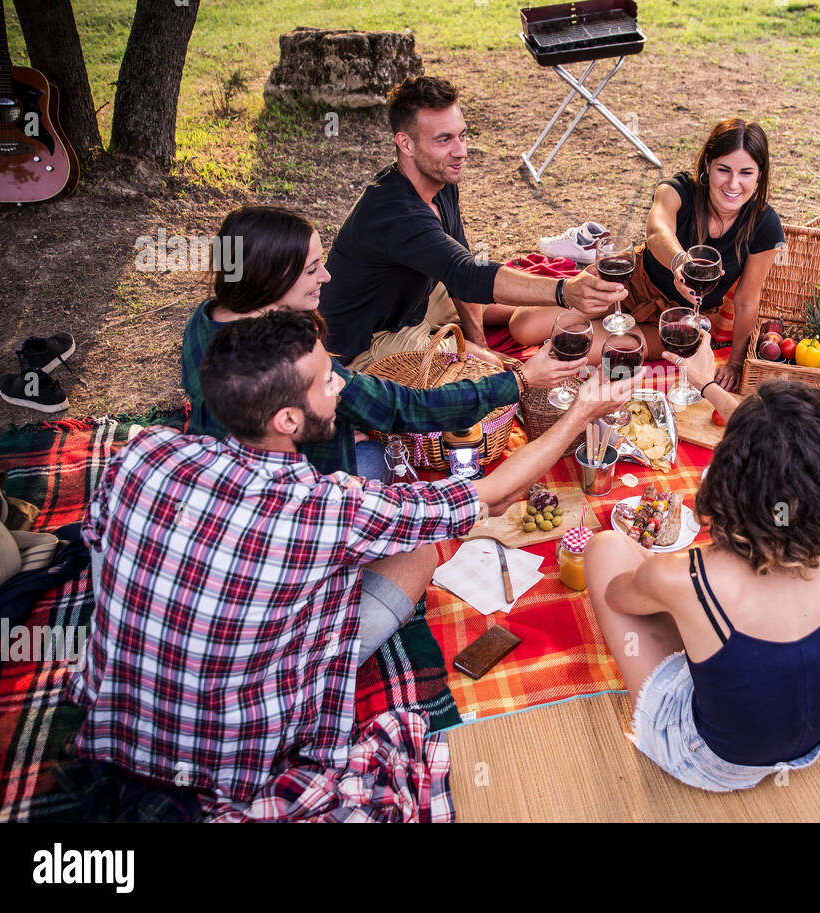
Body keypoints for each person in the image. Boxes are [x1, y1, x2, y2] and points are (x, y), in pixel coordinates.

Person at [69, 310, 635, 811]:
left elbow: (98, 551)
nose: (342, 384)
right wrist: (580, 415)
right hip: (237, 752)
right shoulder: (327, 507)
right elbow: (486, 496)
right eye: (326, 381)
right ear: (288, 421)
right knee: (417, 552)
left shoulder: (141, 452)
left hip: (114, 721)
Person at [585, 381, 820, 792]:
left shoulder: (686, 575)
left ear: (726, 475)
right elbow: (787, 447)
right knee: (698, 609)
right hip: (818, 734)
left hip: (715, 763)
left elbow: (620, 596)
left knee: (606, 549)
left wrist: (661, 575)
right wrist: (710, 387)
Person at [182, 205, 580, 479]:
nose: (327, 277)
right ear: (269, 279)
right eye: (312, 269)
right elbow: (404, 407)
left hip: (230, 468)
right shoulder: (287, 359)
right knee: (379, 459)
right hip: (286, 498)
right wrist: (521, 380)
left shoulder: (209, 316)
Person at [319, 75, 623, 371]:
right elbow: (464, 274)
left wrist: (481, 342)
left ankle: (614, 308)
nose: (461, 152)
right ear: (406, 144)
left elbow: (462, 270)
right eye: (444, 140)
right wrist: (563, 290)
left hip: (414, 301)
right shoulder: (393, 211)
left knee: (511, 307)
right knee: (490, 374)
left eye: (462, 135)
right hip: (367, 342)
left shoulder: (440, 180)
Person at [508, 118, 784, 391]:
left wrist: (735, 363)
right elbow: (657, 231)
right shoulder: (678, 190)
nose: (733, 184)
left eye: (746, 173)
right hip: (628, 288)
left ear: (760, 174)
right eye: (724, 170)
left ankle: (526, 302)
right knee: (523, 326)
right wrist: (680, 261)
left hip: (676, 323)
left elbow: (747, 301)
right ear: (709, 164)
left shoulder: (764, 223)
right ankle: (493, 298)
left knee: (571, 344)